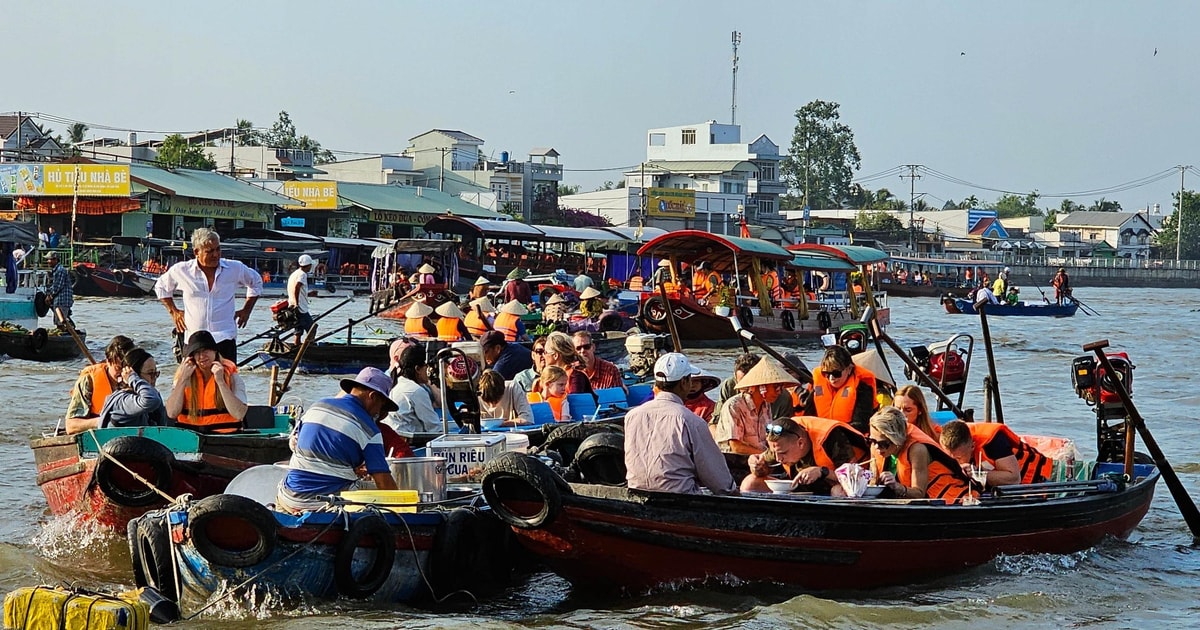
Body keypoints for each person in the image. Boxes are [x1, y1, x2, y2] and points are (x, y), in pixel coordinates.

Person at [277, 367, 399, 514]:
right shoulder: (370, 430)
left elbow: (297, 444)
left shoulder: (317, 406)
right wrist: (405, 509)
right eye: (381, 405)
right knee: (383, 494)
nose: (379, 412)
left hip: (288, 497)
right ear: (373, 396)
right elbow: (383, 481)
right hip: (323, 504)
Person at [624, 352, 737, 495]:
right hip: (681, 499)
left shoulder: (632, 416)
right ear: (684, 383)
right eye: (690, 380)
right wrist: (733, 493)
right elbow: (720, 481)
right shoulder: (691, 421)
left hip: (636, 493)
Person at [155, 228, 262, 362]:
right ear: (196, 252)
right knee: (191, 381)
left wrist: (247, 310)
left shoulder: (234, 268)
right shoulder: (182, 270)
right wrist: (174, 311)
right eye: (210, 251)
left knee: (226, 381)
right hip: (194, 339)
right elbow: (161, 287)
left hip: (224, 338)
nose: (216, 255)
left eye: (218, 249)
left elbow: (256, 282)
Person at [741, 416, 869, 494]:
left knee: (838, 492)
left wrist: (822, 472)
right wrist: (755, 464)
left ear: (800, 443)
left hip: (840, 486)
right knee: (750, 482)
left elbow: (854, 478)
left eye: (783, 453)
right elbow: (762, 462)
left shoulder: (831, 438)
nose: (778, 458)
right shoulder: (779, 444)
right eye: (774, 452)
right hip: (802, 489)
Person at [870, 406, 971, 503]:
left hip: (950, 500)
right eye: (871, 440)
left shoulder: (917, 450)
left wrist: (897, 486)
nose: (876, 447)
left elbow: (919, 494)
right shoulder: (875, 447)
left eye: (883, 443)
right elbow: (873, 482)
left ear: (896, 439)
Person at [164, 330, 249, 433]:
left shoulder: (232, 377)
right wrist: (182, 379)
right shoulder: (183, 378)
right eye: (197, 352)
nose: (202, 356)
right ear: (192, 357)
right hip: (191, 439)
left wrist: (221, 382)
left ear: (215, 351)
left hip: (224, 439)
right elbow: (172, 413)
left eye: (205, 350)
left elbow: (239, 414)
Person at [714, 358, 799, 455]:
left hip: (759, 458)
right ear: (762, 387)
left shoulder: (766, 406)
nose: (779, 391)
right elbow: (736, 447)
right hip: (734, 462)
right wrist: (767, 456)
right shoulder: (734, 406)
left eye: (780, 387)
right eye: (776, 387)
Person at [940, 419, 1053, 487]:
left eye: (958, 458)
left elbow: (1014, 478)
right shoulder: (944, 440)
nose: (955, 463)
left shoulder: (993, 442)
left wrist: (976, 473)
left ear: (972, 446)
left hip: (1038, 478)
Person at [65, 336, 136, 433]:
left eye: (127, 368)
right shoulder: (88, 380)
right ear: (108, 361)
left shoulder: (137, 377)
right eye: (118, 368)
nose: (124, 373)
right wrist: (105, 420)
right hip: (98, 435)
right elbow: (71, 426)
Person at [803, 345, 878, 433]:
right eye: (826, 373)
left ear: (849, 369)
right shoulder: (818, 387)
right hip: (819, 435)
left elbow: (861, 425)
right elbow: (808, 417)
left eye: (836, 373)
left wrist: (832, 432)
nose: (831, 378)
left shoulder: (863, 389)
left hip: (849, 439)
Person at [97, 348, 167, 429]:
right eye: (150, 373)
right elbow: (152, 400)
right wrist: (132, 378)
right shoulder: (121, 401)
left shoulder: (152, 394)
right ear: (135, 374)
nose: (154, 378)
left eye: (156, 373)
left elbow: (162, 428)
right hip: (122, 441)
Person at [714, 353, 794, 421]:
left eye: (749, 384)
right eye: (741, 383)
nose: (746, 389)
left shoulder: (782, 397)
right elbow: (715, 422)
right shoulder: (729, 388)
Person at [383, 344, 442, 435]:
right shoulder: (416, 391)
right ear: (418, 369)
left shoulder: (398, 383)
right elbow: (434, 428)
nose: (431, 371)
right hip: (410, 443)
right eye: (427, 367)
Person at [538, 331, 592, 395]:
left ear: (555, 355)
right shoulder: (549, 377)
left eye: (545, 352)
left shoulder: (575, 377)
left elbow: (575, 402)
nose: (543, 356)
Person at [287, 254, 315, 346]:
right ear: (308, 265)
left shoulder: (294, 274)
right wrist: (296, 303)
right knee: (312, 328)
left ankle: (297, 344)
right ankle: (310, 346)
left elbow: (298, 289)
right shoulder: (302, 274)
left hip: (292, 305)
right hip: (300, 307)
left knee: (299, 328)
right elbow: (297, 287)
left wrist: (308, 293)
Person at [44, 251, 73, 328]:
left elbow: (57, 286)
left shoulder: (60, 270)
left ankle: (66, 335)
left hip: (62, 300)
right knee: (58, 321)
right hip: (59, 300)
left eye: (49, 259)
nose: (48, 262)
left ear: (55, 260)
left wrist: (49, 296)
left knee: (61, 322)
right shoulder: (56, 271)